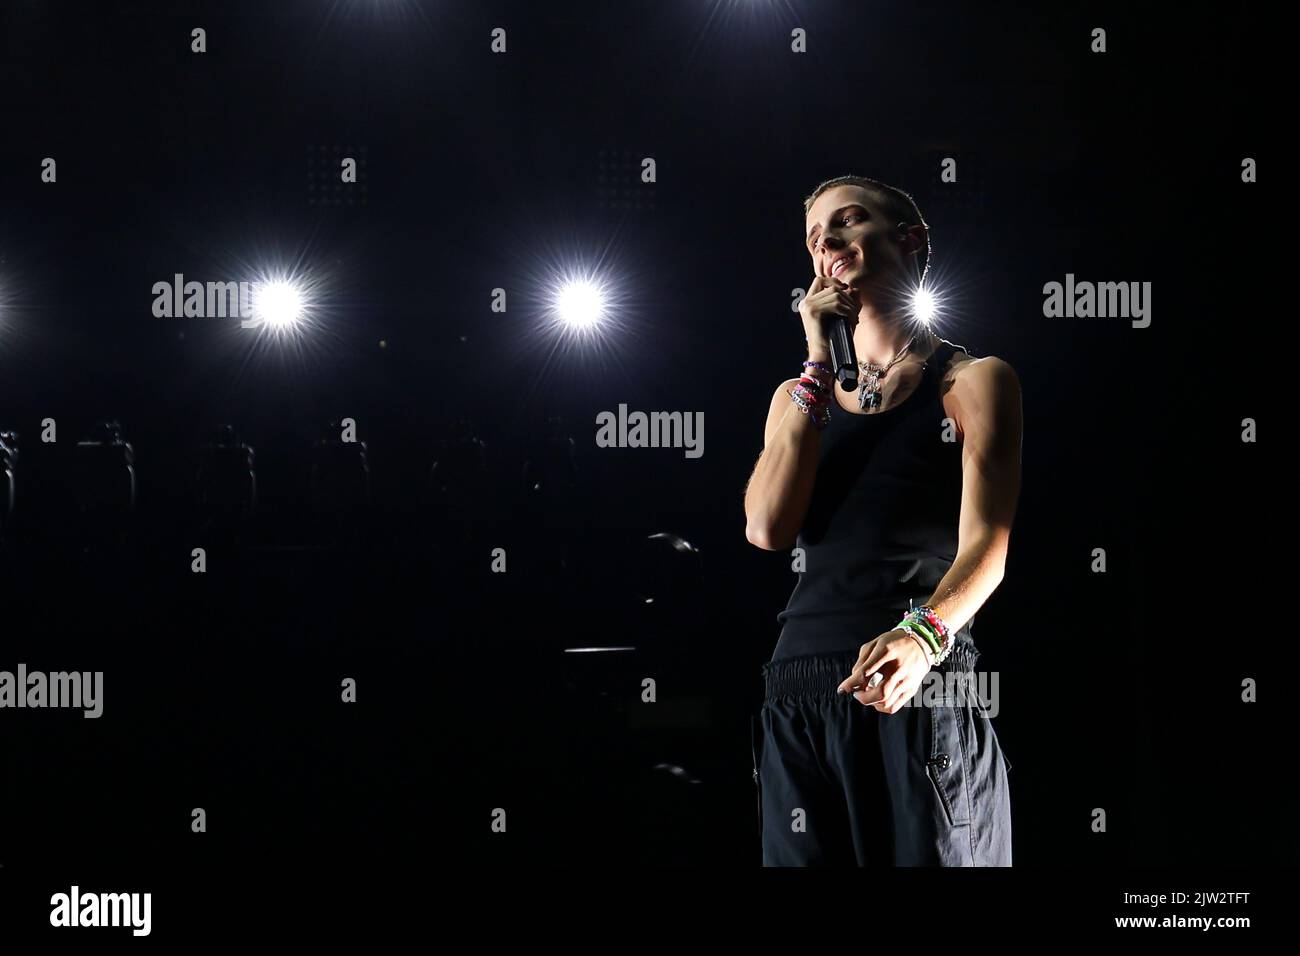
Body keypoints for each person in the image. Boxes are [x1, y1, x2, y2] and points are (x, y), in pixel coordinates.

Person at [742, 176, 1021, 866]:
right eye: (813, 236)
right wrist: (815, 361)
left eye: (849, 220)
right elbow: (768, 528)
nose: (827, 241)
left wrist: (924, 636)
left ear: (911, 239)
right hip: (800, 688)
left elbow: (988, 546)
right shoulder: (798, 396)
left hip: (916, 676)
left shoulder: (973, 379)